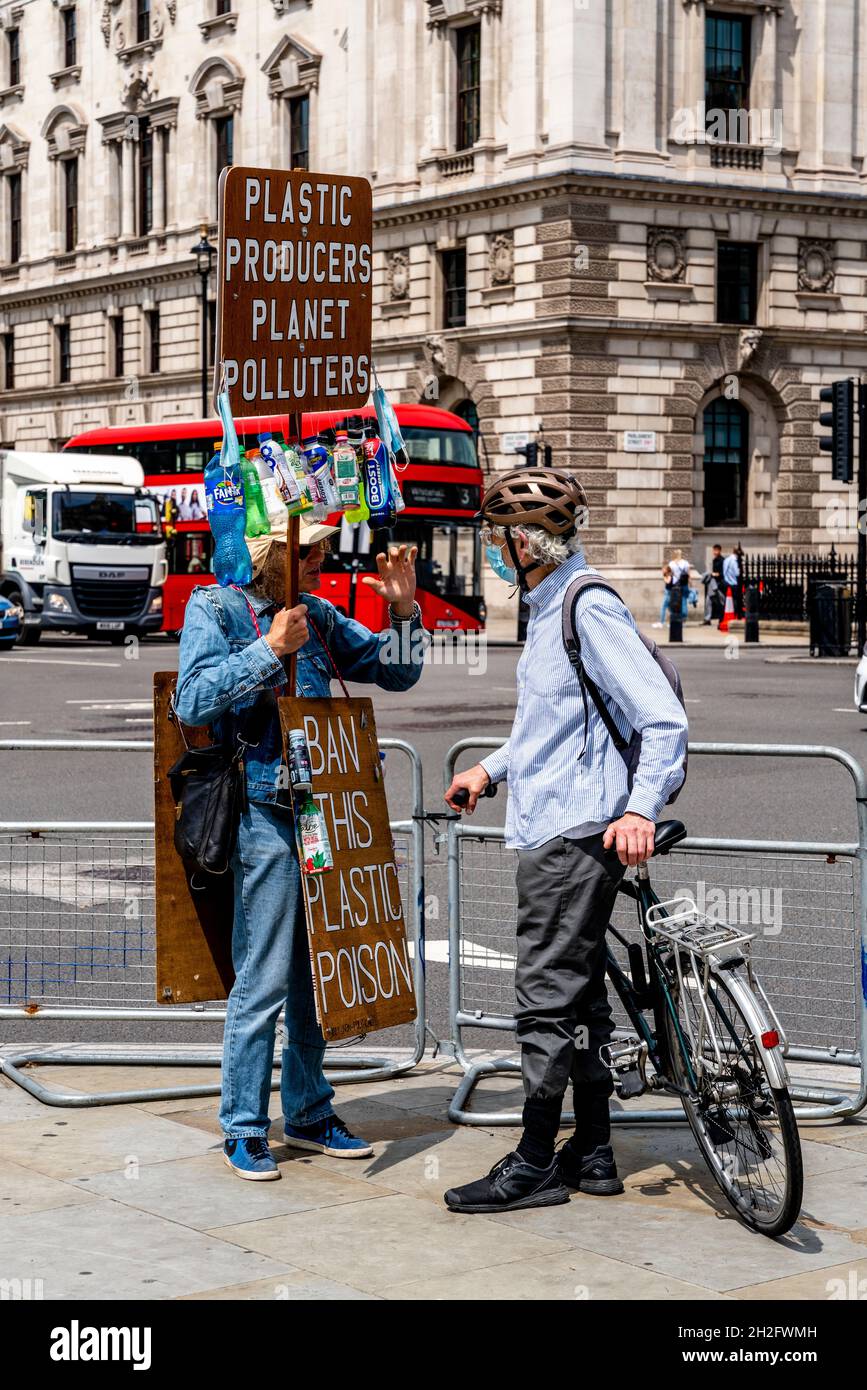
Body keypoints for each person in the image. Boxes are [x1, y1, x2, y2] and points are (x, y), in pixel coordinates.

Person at [442, 467, 688, 1214]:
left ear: (525, 541)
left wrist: (640, 808)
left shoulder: (586, 607)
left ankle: (533, 1161)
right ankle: (594, 1152)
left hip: (575, 834)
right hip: (561, 819)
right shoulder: (551, 608)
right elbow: (549, 731)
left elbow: (660, 720)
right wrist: (489, 769)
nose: (489, 551)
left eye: (495, 538)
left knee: (544, 998)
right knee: (580, 1000)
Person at [174, 517, 424, 1181]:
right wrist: (267, 650)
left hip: (325, 813)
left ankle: (311, 1110)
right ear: (270, 552)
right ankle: (244, 1127)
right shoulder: (218, 607)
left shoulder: (318, 611)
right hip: (261, 812)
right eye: (306, 548)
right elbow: (190, 700)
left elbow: (396, 672)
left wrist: (403, 606)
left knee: (319, 974)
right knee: (261, 978)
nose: (320, 556)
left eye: (319, 547)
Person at [652, 562, 673, 629]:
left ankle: (662, 622)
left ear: (667, 570)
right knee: (669, 609)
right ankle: (669, 622)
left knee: (663, 608)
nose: (662, 570)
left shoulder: (669, 576)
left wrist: (664, 577)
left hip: (668, 594)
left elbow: (668, 582)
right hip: (668, 593)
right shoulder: (668, 575)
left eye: (664, 569)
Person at [722, 545, 741, 616]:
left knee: (727, 601)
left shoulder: (727, 559)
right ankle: (735, 615)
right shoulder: (734, 561)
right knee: (735, 601)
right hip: (733, 583)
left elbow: (724, 571)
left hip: (726, 582)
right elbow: (737, 573)